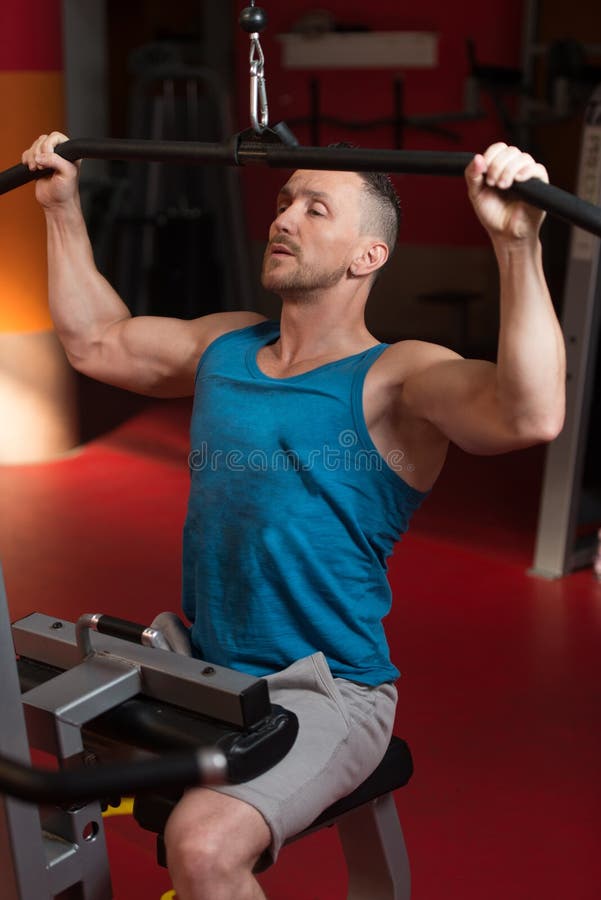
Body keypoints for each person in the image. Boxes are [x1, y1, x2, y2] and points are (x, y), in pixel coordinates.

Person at [22, 133, 565, 900]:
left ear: (365, 257)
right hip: (202, 668)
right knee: (33, 749)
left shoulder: (396, 377)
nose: (285, 218)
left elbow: (528, 413)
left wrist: (515, 246)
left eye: (316, 209)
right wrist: (60, 207)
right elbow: (97, 342)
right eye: (284, 202)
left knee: (203, 848)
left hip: (325, 691)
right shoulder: (226, 344)